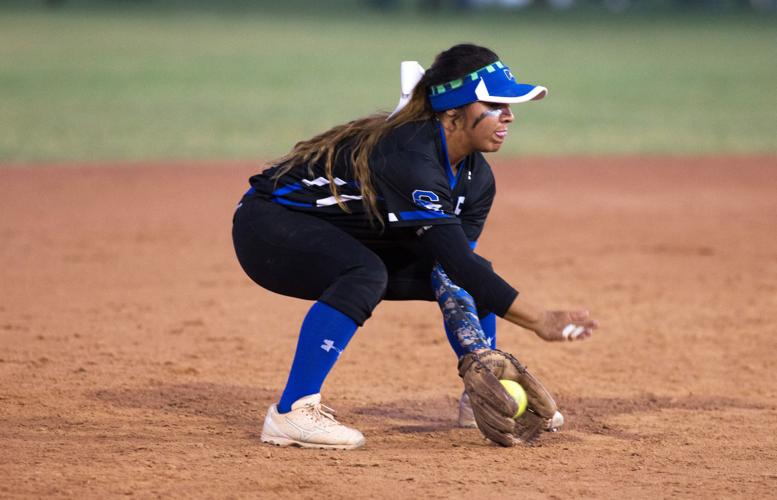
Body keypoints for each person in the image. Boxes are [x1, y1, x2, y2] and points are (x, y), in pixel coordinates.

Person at [232, 43, 598, 450]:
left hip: (349, 232)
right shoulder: (409, 155)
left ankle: (482, 395)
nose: (509, 114)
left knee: (479, 274)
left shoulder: (477, 180)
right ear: (453, 113)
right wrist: (539, 319)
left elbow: (455, 271)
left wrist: (478, 356)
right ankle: (291, 412)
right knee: (365, 273)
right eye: (495, 103)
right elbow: (458, 263)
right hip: (270, 226)